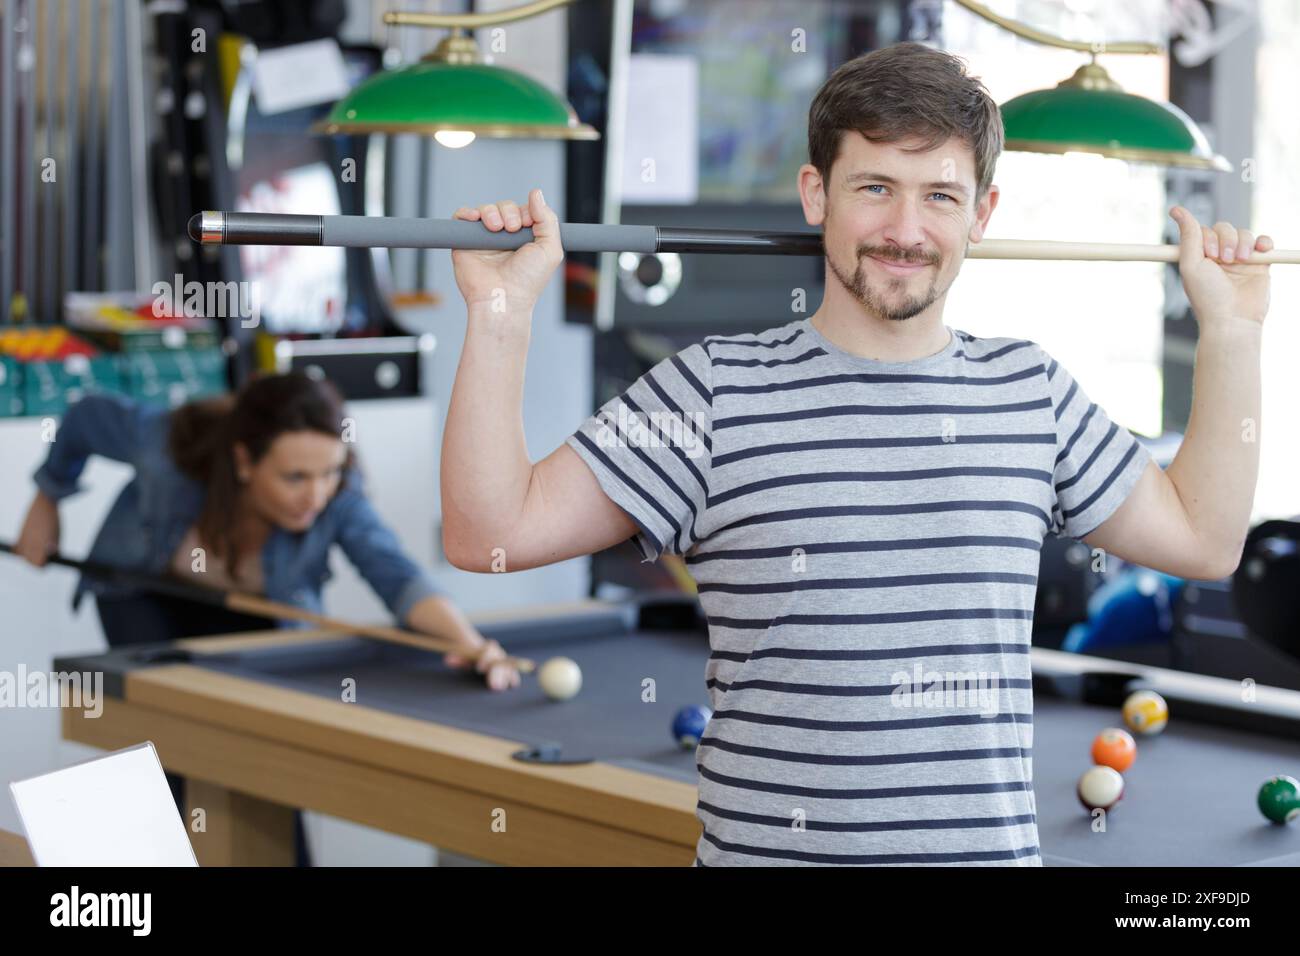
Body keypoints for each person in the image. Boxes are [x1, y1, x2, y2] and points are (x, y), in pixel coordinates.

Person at [440, 41, 1272, 866]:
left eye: (940, 196)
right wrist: (502, 314)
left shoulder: (1031, 391)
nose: (905, 231)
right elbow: (488, 533)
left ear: (981, 214)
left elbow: (1204, 542)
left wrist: (1232, 334)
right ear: (816, 194)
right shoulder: (712, 391)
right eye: (875, 188)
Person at [15, 372, 520, 864]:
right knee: (168, 751)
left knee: (266, 753)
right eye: (295, 477)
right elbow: (85, 417)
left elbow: (398, 578)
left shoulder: (339, 499)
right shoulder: (168, 447)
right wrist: (47, 501)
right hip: (145, 596)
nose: (315, 494)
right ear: (244, 461)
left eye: (329, 473)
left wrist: (470, 643)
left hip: (251, 616)